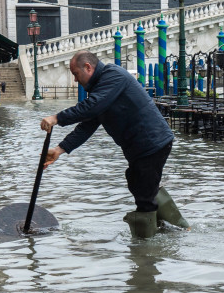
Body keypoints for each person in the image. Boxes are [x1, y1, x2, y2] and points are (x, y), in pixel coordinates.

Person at [40, 51, 188, 237]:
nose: (76, 80)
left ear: (88, 67)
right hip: (142, 148)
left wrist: (56, 118)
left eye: (76, 74)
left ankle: (146, 249)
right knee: (137, 183)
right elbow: (88, 125)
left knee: (144, 196)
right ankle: (174, 230)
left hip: (152, 144)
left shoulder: (113, 76)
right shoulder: (101, 89)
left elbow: (91, 107)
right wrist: (60, 149)